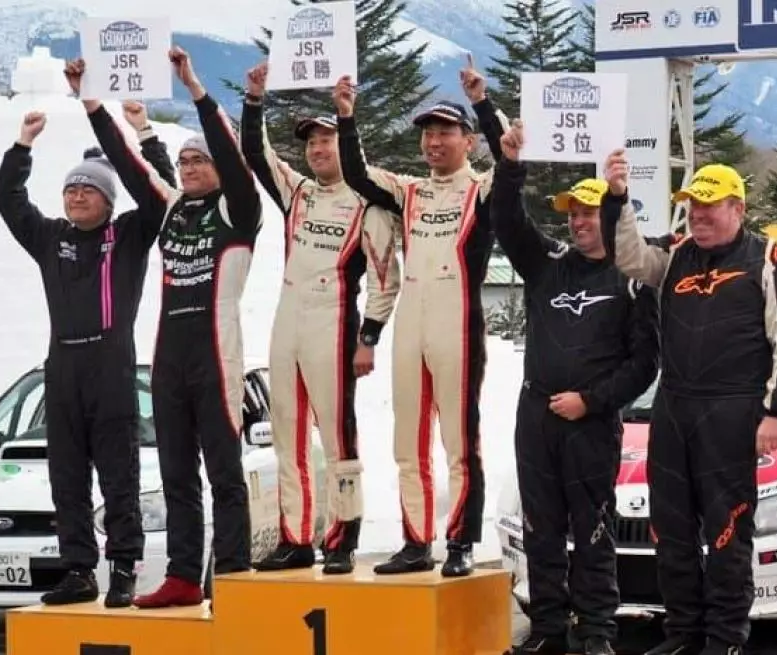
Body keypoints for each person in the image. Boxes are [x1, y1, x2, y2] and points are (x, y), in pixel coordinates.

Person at [65, 46, 264, 609]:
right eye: (185, 164)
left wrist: (196, 90)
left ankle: (231, 575)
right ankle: (181, 576)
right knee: (177, 473)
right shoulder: (173, 207)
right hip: (169, 354)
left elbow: (227, 148)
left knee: (224, 472)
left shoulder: (239, 209)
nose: (190, 169)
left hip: (218, 351)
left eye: (200, 162)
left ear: (220, 169)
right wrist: (93, 105)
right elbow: (128, 166)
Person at [599, 153, 777, 655]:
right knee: (670, 530)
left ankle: (725, 639)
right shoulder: (674, 253)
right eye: (691, 205)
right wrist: (616, 199)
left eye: (708, 206)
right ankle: (683, 634)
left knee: (726, 533)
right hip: (674, 411)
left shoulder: (771, 260)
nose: (697, 214)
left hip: (733, 411)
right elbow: (629, 257)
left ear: (737, 208)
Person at [0, 102, 176, 607]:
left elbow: (161, 189)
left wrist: (144, 132)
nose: (75, 196)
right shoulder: (51, 238)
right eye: (70, 189)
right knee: (66, 477)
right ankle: (78, 570)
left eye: (87, 189)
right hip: (63, 366)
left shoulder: (132, 234)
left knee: (119, 476)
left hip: (112, 364)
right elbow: (6, 197)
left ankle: (123, 569)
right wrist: (23, 144)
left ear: (108, 200)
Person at [332, 57, 507, 577]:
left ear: (467, 142)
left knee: (459, 441)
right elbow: (359, 175)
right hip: (411, 324)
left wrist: (481, 99)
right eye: (428, 134)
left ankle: (460, 543)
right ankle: (415, 541)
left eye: (445, 133)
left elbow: (512, 158)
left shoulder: (483, 188)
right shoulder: (409, 190)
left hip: (458, 323)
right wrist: (346, 117)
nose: (434, 142)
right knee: (406, 441)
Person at [492, 120, 659, 655]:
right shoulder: (547, 268)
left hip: (590, 422)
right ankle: (546, 630)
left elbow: (644, 365)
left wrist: (590, 400)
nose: (579, 222)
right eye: (573, 214)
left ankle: (596, 633)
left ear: (607, 218)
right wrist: (510, 167)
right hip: (536, 415)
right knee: (541, 527)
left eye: (588, 212)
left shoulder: (631, 280)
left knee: (592, 529)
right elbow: (508, 224)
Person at [236, 62, 402, 574]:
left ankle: (342, 537)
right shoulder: (299, 192)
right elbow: (256, 156)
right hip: (288, 319)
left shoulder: (368, 203)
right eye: (310, 143)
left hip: (333, 322)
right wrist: (255, 100)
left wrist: (368, 337)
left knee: (337, 436)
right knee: (285, 432)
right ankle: (295, 537)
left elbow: (385, 278)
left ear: (343, 147)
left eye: (326, 141)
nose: (315, 150)